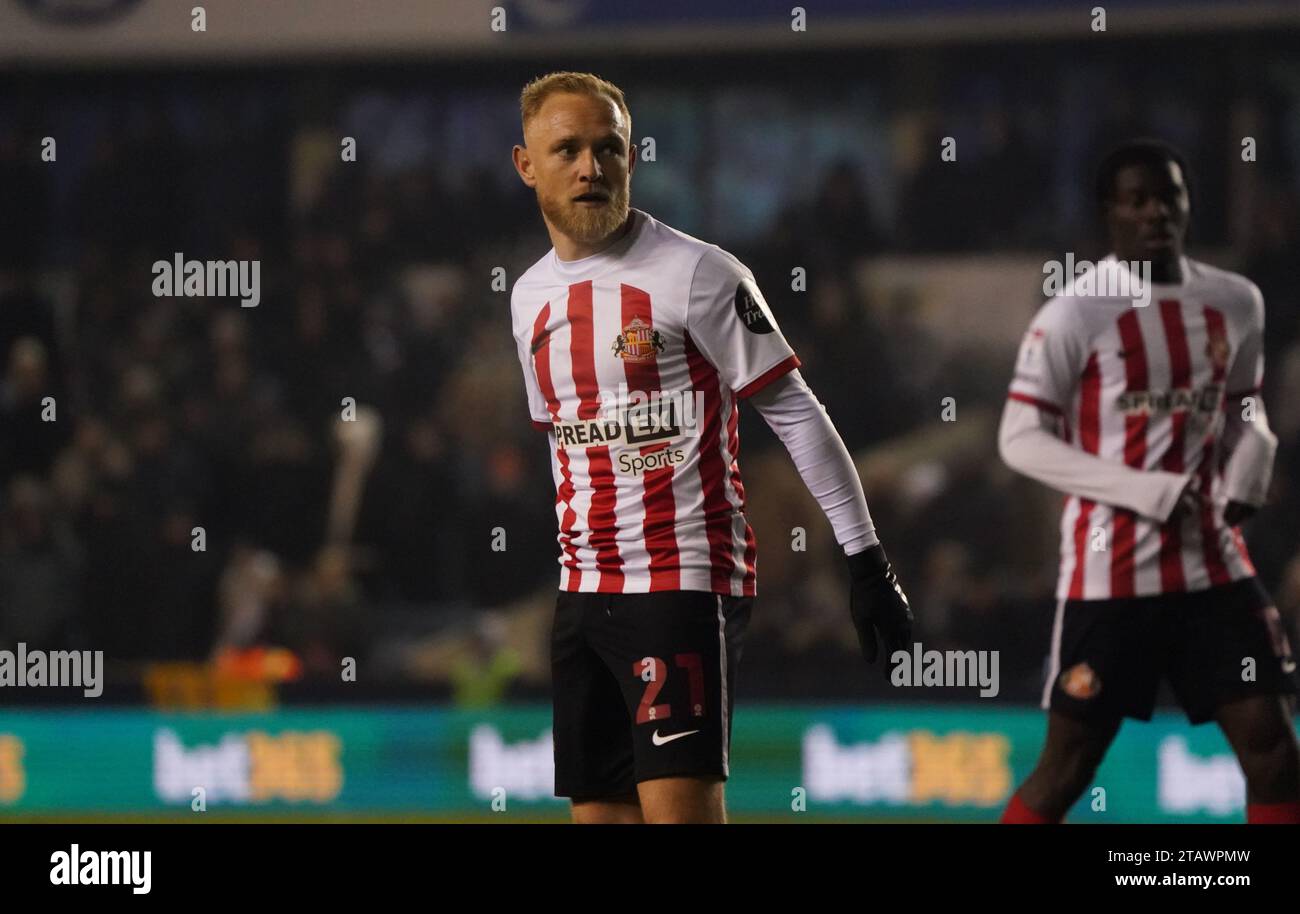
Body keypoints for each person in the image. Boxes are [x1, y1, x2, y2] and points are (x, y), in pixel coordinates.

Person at [508, 71, 913, 824]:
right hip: (582, 596)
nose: (591, 167)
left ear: (633, 156)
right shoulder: (527, 296)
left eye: (609, 148)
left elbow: (796, 415)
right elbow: (568, 445)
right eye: (566, 150)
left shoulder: (700, 273)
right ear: (527, 165)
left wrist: (867, 561)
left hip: (678, 585)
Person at [998, 139, 1299, 823]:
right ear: (1111, 213)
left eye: (1169, 195)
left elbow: (1244, 406)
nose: (1156, 211)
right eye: (1138, 200)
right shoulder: (1074, 312)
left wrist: (1255, 452)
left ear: (1188, 202)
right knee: (1069, 766)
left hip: (1211, 567)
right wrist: (1142, 488)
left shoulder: (1236, 301)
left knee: (1273, 746)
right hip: (1112, 573)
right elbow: (1018, 437)